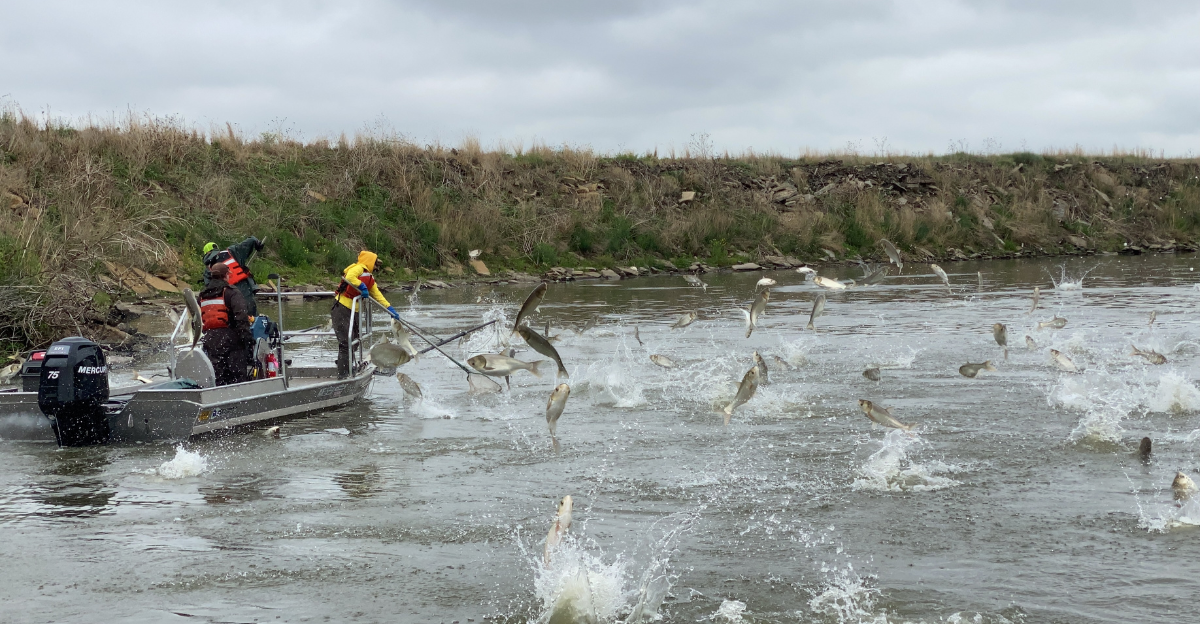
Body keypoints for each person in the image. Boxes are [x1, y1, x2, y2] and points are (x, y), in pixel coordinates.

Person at [332, 250, 400, 378]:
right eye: (375, 264)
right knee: (346, 342)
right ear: (369, 262)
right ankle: (343, 374)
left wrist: (389, 308)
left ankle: (346, 364)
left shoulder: (370, 278)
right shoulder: (358, 268)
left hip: (354, 310)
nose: (376, 267)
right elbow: (350, 277)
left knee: (356, 340)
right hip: (341, 308)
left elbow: (377, 295)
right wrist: (361, 286)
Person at [199, 263, 254, 386]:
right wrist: (247, 339)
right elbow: (241, 317)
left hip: (210, 339)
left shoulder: (202, 295)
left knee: (217, 375)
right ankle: (239, 400)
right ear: (226, 275)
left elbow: (198, 319)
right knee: (237, 376)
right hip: (231, 339)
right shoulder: (231, 292)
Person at [202, 237, 264, 317]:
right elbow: (249, 241)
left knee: (233, 318)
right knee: (252, 317)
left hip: (227, 296)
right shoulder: (231, 252)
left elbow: (209, 288)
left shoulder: (208, 269)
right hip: (244, 291)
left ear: (206, 253)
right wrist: (256, 242)